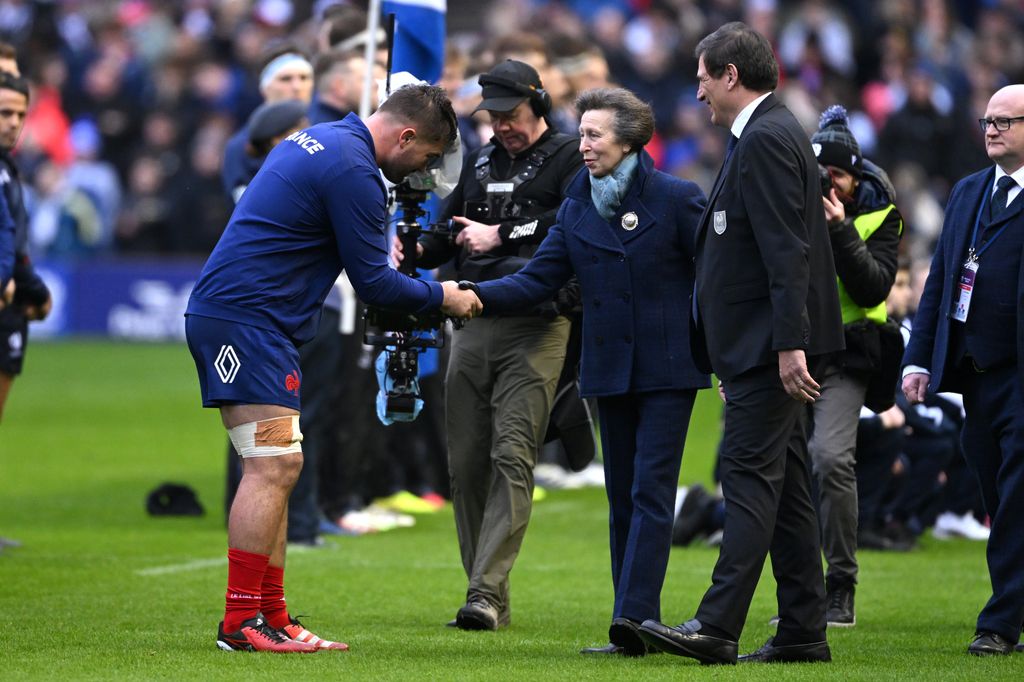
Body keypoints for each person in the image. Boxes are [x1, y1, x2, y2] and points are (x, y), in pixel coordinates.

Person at [185, 84, 481, 653]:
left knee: (281, 464)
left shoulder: (323, 139)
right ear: (406, 136)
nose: (420, 171)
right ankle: (241, 621)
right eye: (424, 157)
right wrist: (443, 295)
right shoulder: (355, 169)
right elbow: (375, 284)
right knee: (272, 466)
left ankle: (272, 615)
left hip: (252, 319)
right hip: (247, 320)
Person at [470, 87, 708, 655]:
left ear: (629, 141)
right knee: (621, 496)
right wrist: (471, 295)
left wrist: (722, 351)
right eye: (581, 134)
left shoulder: (677, 197)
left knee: (651, 491)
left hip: (669, 368)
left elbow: (714, 277)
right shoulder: (578, 204)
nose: (582, 145)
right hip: (609, 368)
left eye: (594, 134)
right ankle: (632, 622)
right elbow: (536, 279)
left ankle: (634, 618)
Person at [638, 22, 844, 665]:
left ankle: (716, 625)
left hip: (768, 349)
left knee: (748, 479)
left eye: (703, 77)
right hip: (757, 346)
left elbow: (788, 251)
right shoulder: (764, 133)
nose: (697, 91)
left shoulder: (767, 137)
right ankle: (804, 630)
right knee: (788, 492)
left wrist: (788, 344)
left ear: (731, 75)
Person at [393, 59, 583, 631]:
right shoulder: (477, 162)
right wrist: (416, 249)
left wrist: (502, 232)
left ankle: (482, 591)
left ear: (538, 105)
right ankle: (488, 593)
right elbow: (450, 233)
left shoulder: (572, 157)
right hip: (473, 319)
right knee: (467, 461)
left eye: (511, 114)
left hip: (539, 323)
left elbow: (573, 221)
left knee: (512, 454)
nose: (502, 126)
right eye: (494, 117)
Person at [902, 84, 1024, 657]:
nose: (991, 130)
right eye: (987, 121)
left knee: (1016, 495)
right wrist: (919, 358)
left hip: (1019, 372)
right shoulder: (969, 191)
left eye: (1004, 121)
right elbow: (942, 282)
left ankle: (999, 623)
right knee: (997, 493)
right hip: (975, 375)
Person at [807, 104, 903, 626]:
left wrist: (840, 229)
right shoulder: (789, 204)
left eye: (836, 175)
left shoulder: (880, 216)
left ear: (855, 176)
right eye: (818, 173)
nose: (827, 184)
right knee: (782, 470)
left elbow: (873, 288)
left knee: (829, 456)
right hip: (794, 347)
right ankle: (801, 594)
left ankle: (840, 584)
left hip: (849, 350)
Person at [0, 71, 51, 423]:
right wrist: (37, 291)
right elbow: (11, 243)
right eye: (5, 113)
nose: (14, 123)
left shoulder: (7, 167)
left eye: (20, 114)